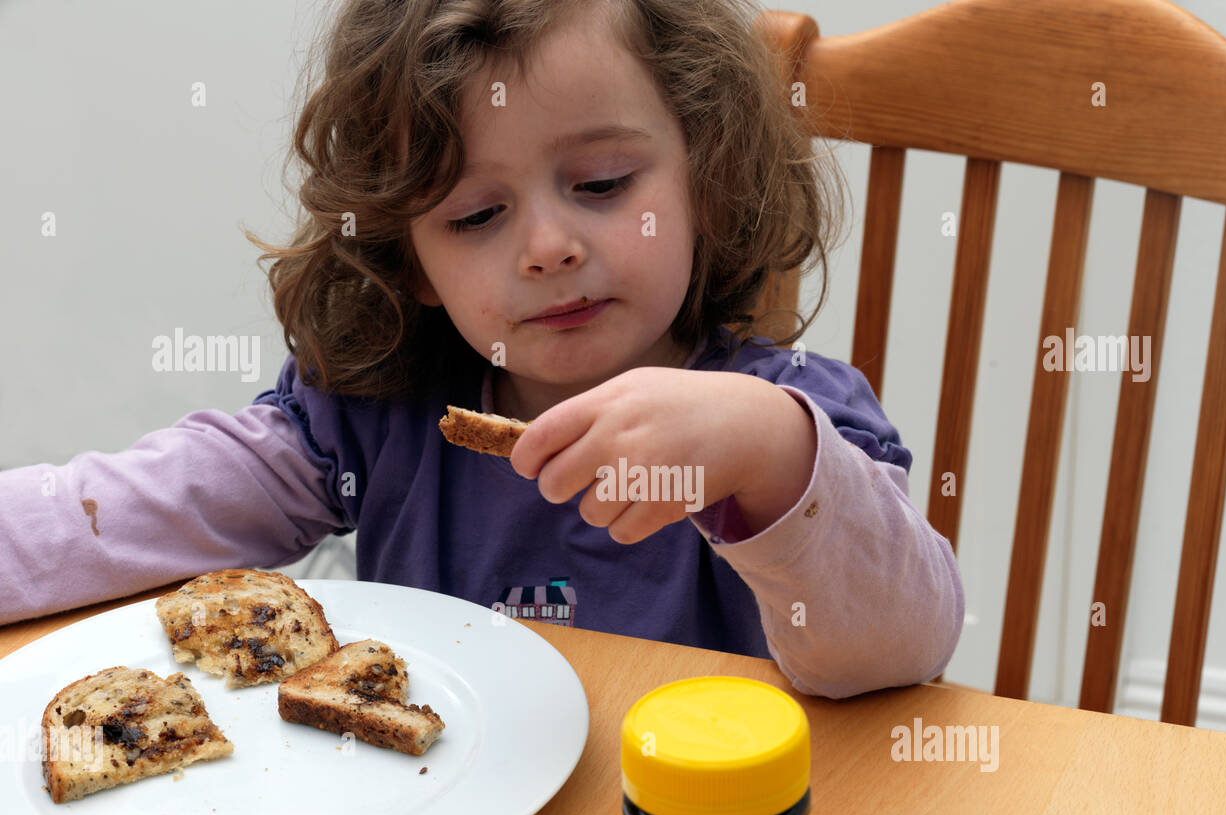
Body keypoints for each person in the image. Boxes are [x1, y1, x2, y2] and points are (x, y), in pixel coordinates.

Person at [0, 0, 963, 699]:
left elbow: (902, 646)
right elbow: (127, 511)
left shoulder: (793, 420)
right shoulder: (368, 421)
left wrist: (773, 456)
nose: (548, 246)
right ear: (410, 258)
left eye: (602, 182)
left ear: (705, 177)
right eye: (477, 215)